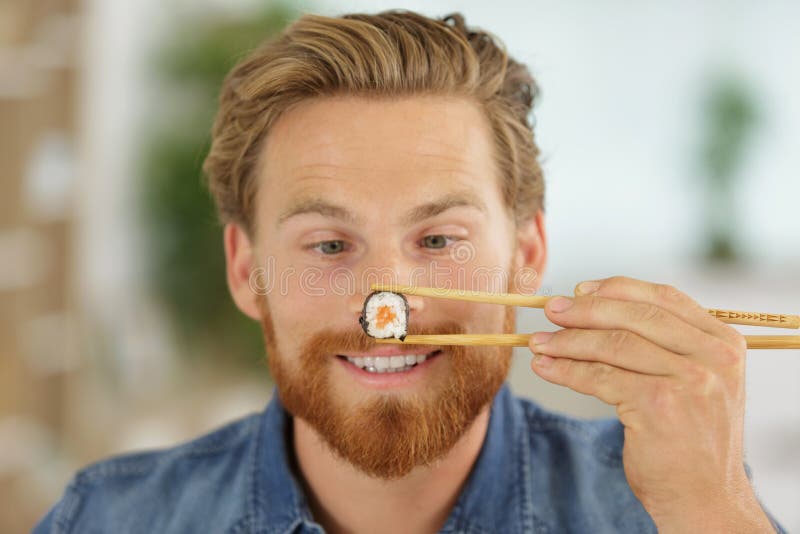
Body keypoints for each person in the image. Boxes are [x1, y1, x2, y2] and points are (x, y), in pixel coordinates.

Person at [34, 10, 785, 533]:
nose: (383, 301)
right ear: (245, 270)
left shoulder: (663, 513)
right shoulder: (106, 518)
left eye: (438, 239)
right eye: (329, 245)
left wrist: (714, 512)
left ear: (526, 256)